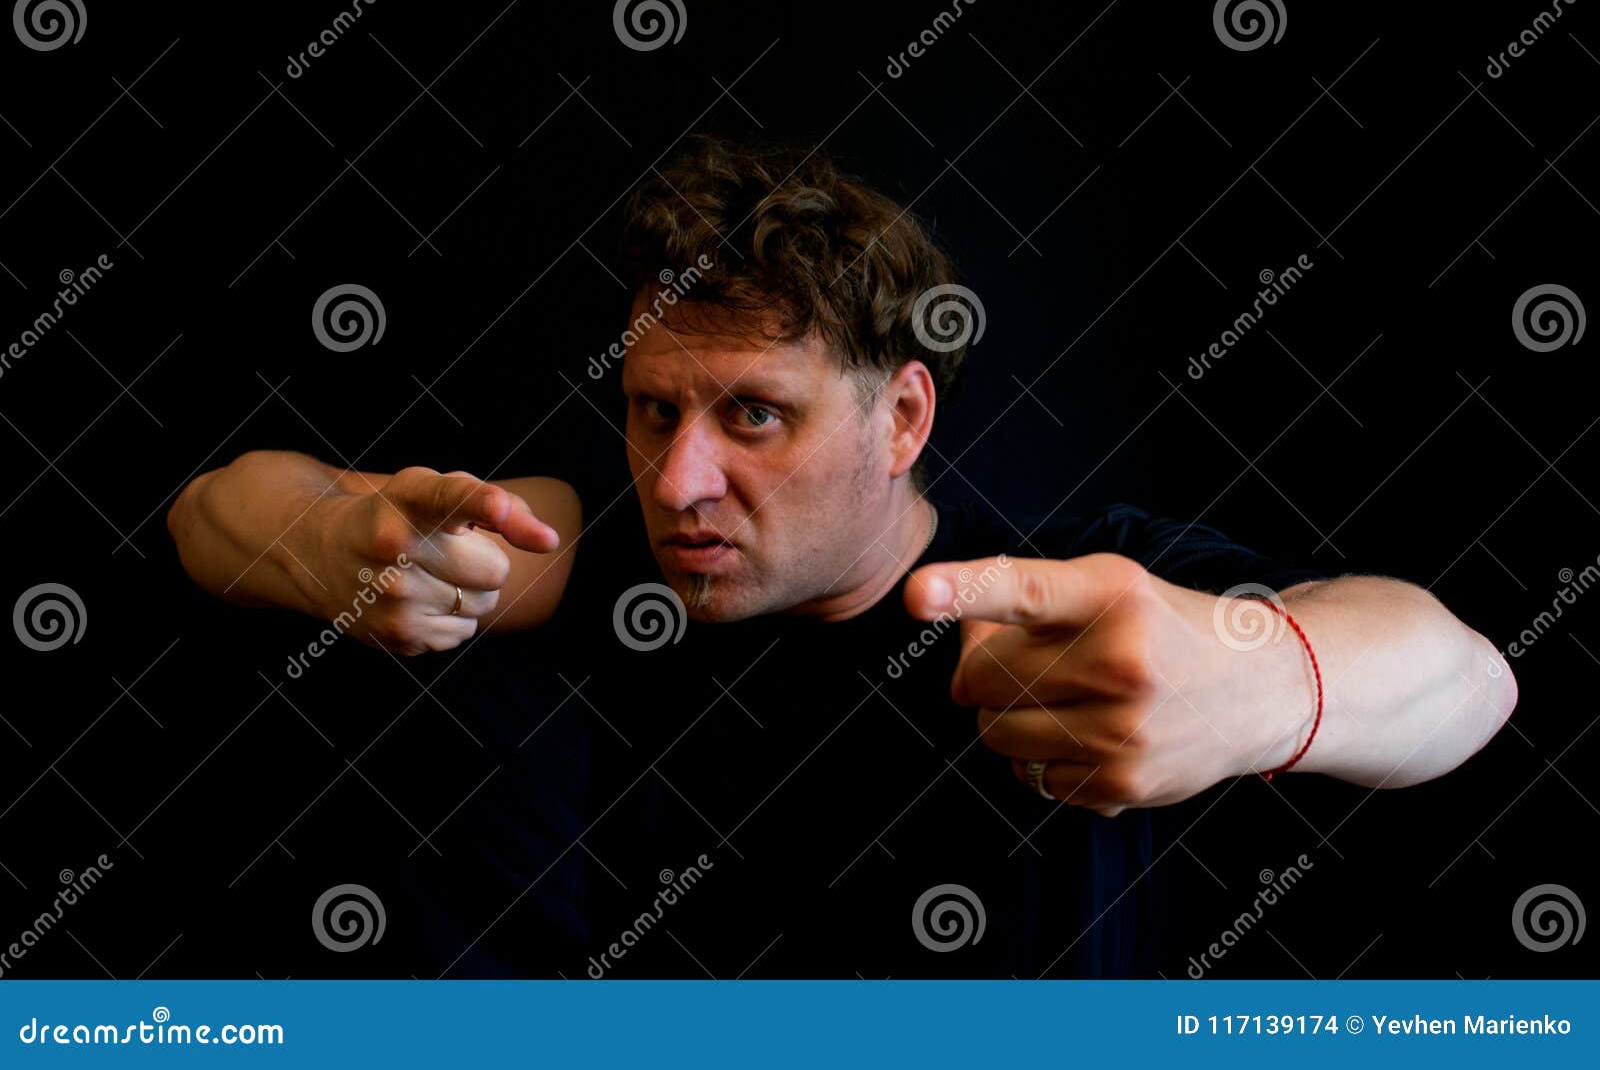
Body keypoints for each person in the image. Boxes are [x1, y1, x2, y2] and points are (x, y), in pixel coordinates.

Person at [166, 135, 1515, 977]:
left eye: (754, 414)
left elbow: (1466, 678)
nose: (678, 479)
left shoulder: (1073, 592)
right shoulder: (590, 559)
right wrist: (333, 542)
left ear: (903, 418)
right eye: (653, 410)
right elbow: (210, 509)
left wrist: (1268, 681)